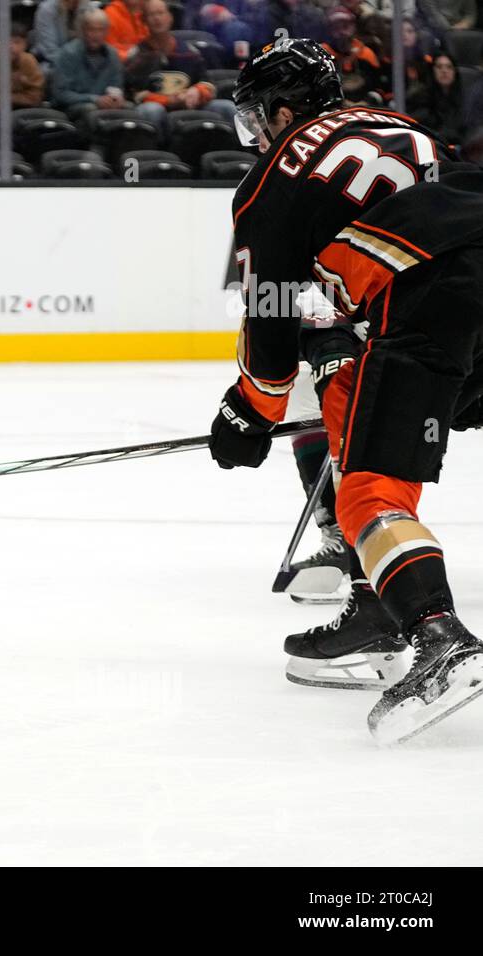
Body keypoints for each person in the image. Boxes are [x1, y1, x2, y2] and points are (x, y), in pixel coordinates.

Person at [208, 38, 483, 743]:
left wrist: (249, 409)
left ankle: (435, 632)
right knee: (347, 390)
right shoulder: (405, 126)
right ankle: (369, 596)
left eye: (258, 117)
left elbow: (271, 304)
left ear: (284, 110)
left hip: (426, 298)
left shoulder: (277, 172)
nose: (257, 133)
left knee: (371, 488)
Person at [124, 0, 237, 134]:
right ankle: (157, 153)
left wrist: (197, 92)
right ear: (144, 21)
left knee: (227, 107)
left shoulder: (189, 51)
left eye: (160, 13)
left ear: (170, 17)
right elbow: (135, 95)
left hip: (190, 104)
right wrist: (170, 100)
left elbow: (208, 84)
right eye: (151, 15)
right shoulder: (138, 54)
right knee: (151, 110)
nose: (156, 18)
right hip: (158, 107)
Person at [52, 8, 126, 124]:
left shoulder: (113, 55)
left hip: (105, 107)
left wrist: (116, 98)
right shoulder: (68, 54)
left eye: (100, 30)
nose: (96, 35)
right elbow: (60, 94)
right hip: (73, 109)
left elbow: (116, 87)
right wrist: (94, 99)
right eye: (91, 30)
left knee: (130, 111)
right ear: (83, 31)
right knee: (91, 110)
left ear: (107, 32)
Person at [411, 52, 468, 146]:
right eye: (439, 66)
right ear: (432, 71)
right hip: (432, 149)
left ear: (455, 72)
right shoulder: (421, 98)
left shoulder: (465, 98)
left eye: (449, 67)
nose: (444, 70)